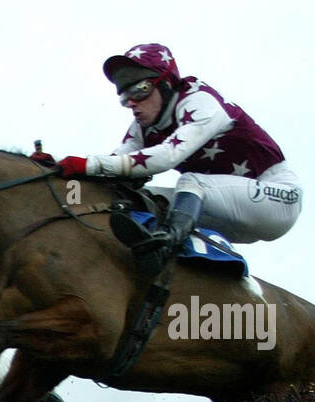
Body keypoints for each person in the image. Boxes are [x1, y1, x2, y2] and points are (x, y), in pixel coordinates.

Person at [55, 43, 301, 277]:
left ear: (165, 84)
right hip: (232, 212)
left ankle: (165, 246)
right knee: (143, 198)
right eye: (124, 96)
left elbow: (167, 156)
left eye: (139, 91)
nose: (131, 103)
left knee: (191, 181)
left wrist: (89, 164)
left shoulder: (199, 101)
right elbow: (116, 165)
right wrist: (55, 165)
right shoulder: (142, 127)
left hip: (277, 199)